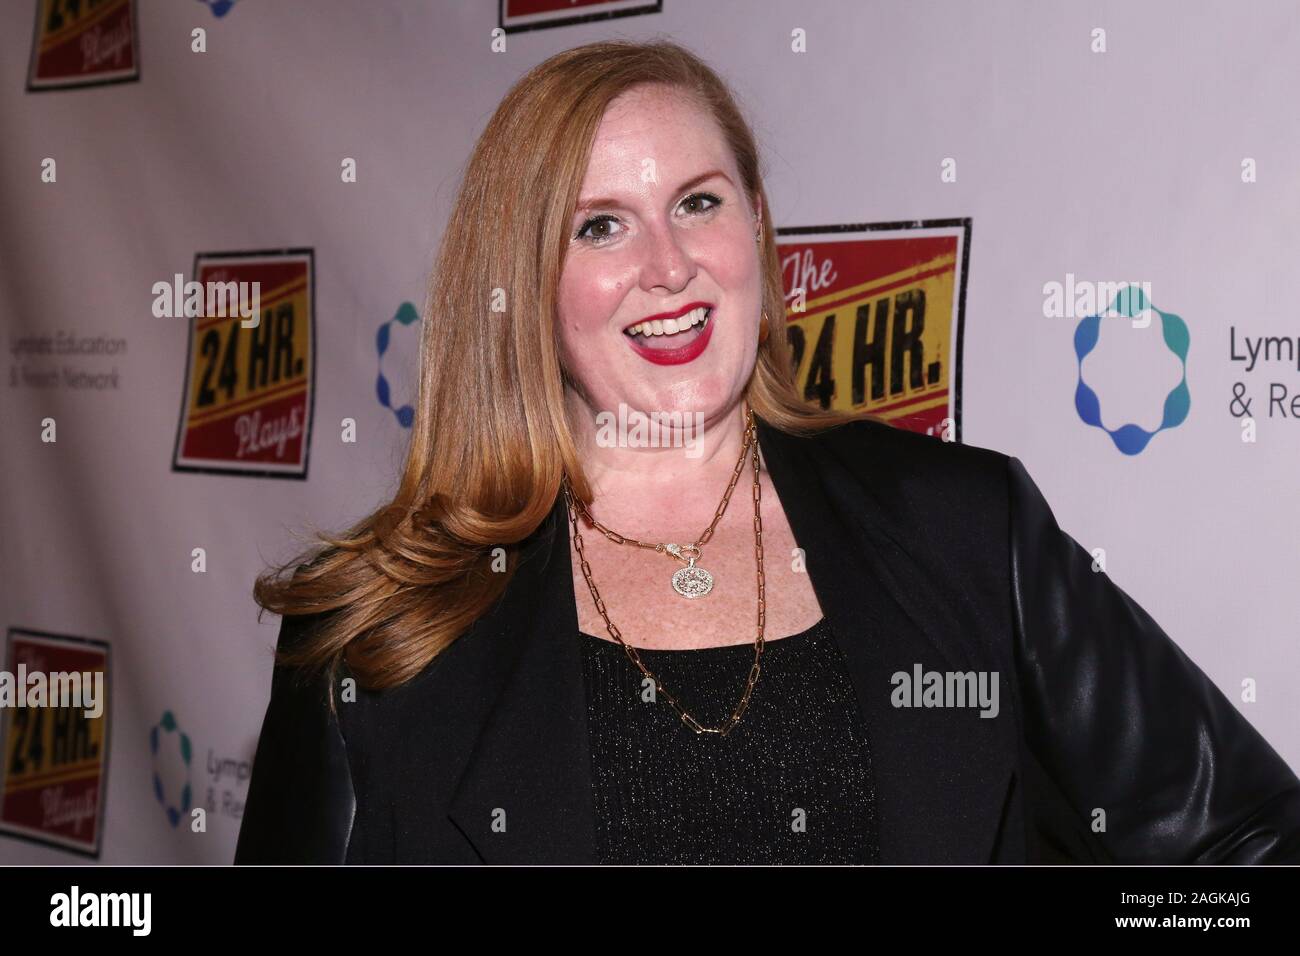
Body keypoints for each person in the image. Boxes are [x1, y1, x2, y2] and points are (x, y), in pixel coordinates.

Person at [234, 39, 1300, 865]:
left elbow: (1245, 839)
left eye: (698, 201)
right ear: (516, 286)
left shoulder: (969, 530)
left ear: (758, 226)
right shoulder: (369, 634)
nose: (669, 264)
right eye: (599, 226)